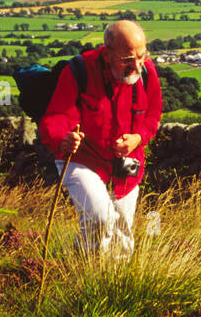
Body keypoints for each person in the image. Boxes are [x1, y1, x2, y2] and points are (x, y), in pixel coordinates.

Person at [38, 20, 162, 259]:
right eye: (126, 60)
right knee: (100, 217)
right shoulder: (79, 71)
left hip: (127, 162)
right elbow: (55, 118)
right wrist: (63, 139)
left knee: (122, 232)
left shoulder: (146, 71)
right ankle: (86, 274)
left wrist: (138, 138)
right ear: (106, 54)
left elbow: (153, 115)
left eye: (141, 57)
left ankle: (114, 286)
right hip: (83, 159)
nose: (136, 66)